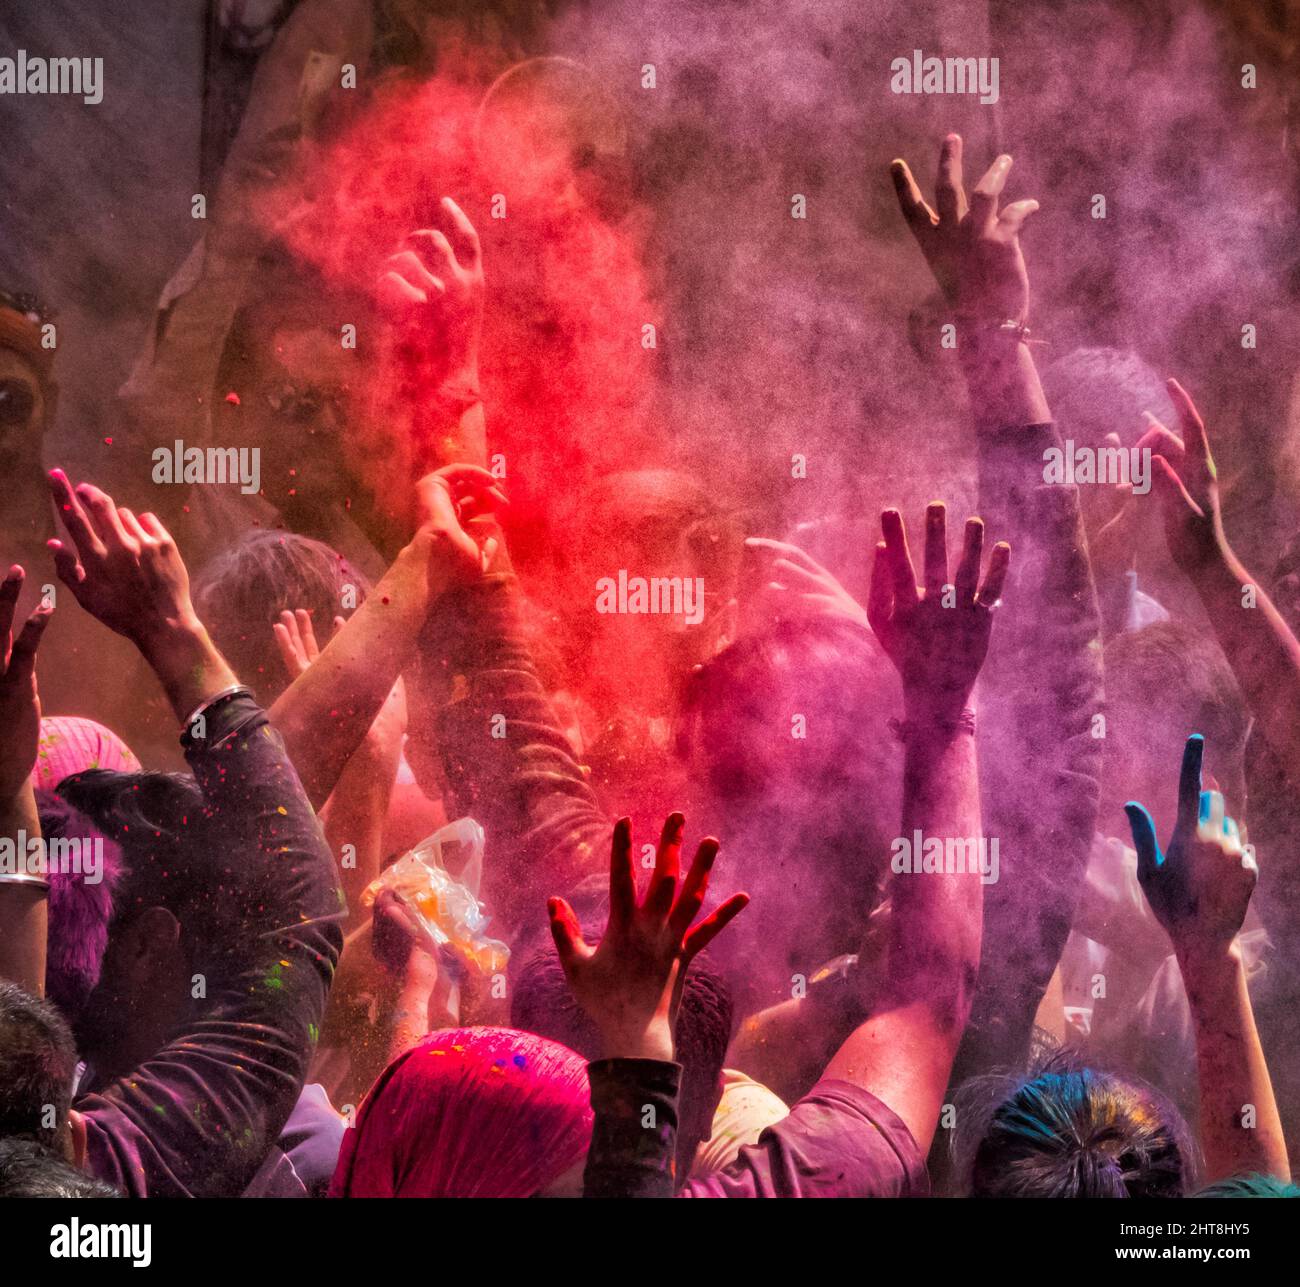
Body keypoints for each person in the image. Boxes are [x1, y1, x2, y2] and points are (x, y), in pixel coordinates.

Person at [551, 501, 1008, 1197]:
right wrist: (939, 704)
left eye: (708, 764)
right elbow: (929, 997)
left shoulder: (714, 1026)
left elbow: (538, 815)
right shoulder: (819, 1166)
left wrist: (634, 1036)